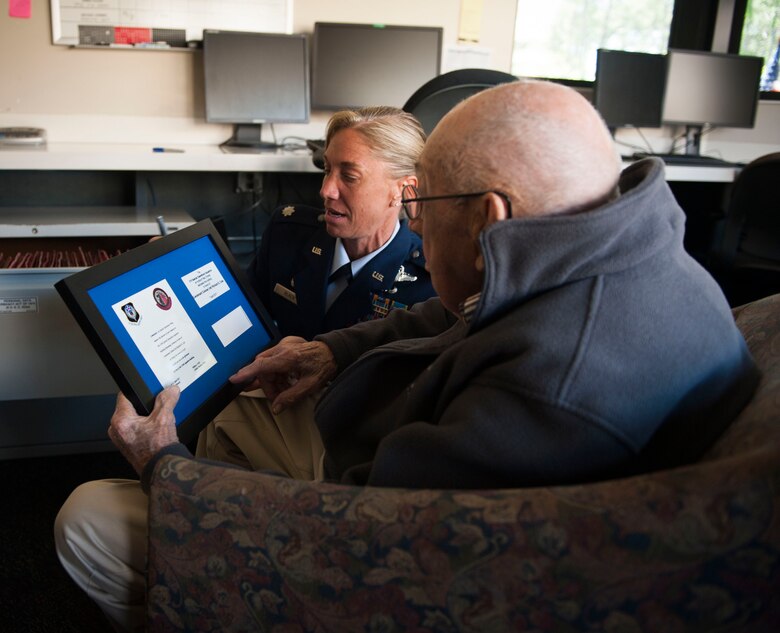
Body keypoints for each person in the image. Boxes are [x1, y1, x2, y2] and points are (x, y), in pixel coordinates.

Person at [55, 80, 759, 631]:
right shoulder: (626, 257)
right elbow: (456, 313)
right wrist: (332, 350)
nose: (416, 225)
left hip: (382, 539)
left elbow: (363, 547)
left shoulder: (555, 387)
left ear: (488, 218)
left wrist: (167, 469)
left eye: (428, 206)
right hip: (396, 457)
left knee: (87, 519)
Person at [196, 106, 435, 472]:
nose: (326, 190)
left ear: (403, 191)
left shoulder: (429, 276)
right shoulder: (290, 233)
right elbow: (243, 318)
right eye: (326, 169)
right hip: (270, 412)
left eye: (349, 176)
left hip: (345, 446)